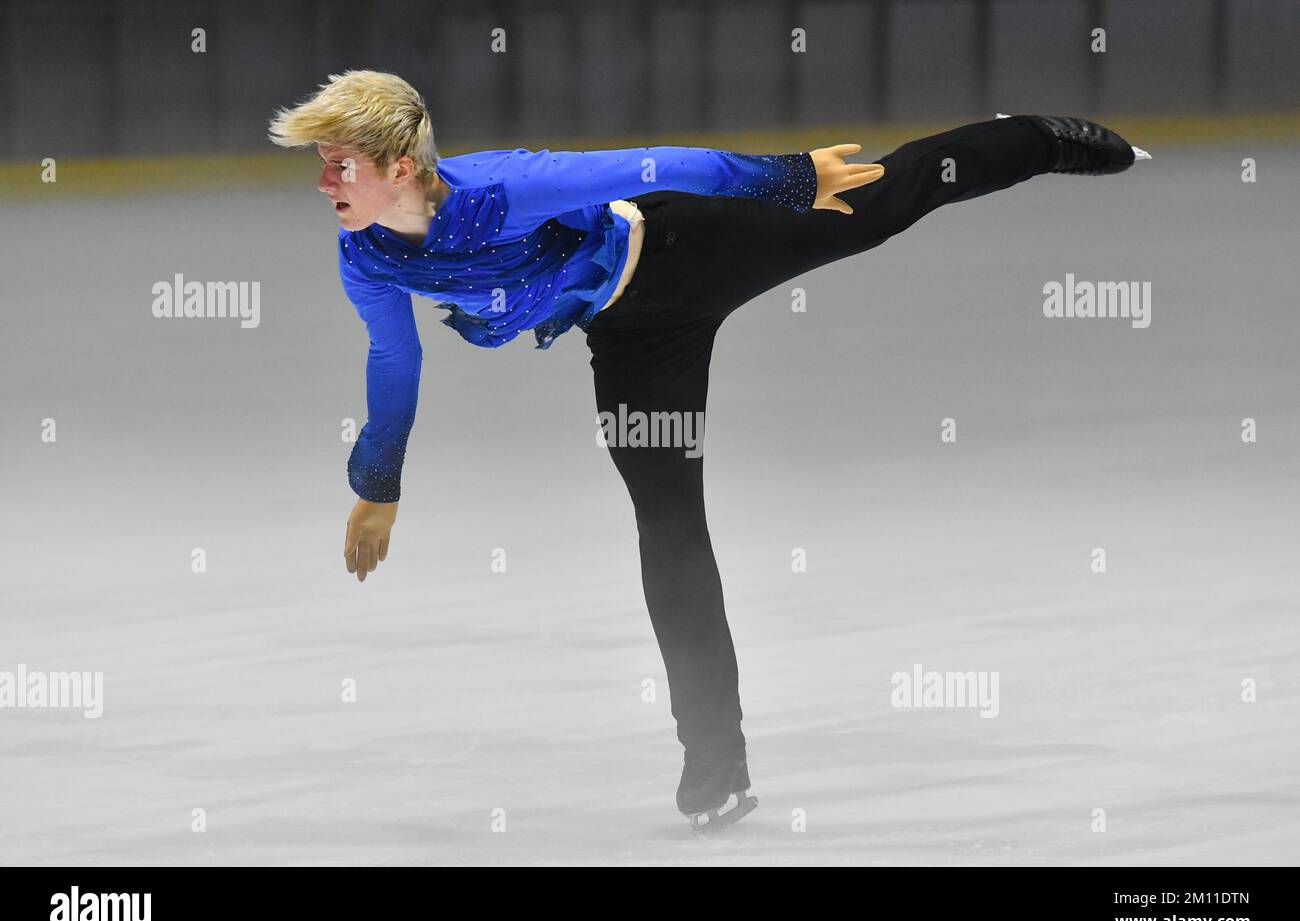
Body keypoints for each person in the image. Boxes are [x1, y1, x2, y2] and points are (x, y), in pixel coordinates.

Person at [269, 70, 1147, 831]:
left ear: (400, 166)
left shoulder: (503, 188)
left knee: (875, 205)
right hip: (630, 339)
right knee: (669, 524)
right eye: (321, 164)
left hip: (692, 245)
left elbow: (663, 166)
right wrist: (379, 484)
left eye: (338, 165)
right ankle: (717, 762)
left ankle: (1032, 139)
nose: (323, 184)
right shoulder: (368, 256)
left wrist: (793, 178)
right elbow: (396, 357)